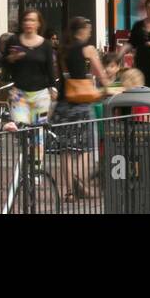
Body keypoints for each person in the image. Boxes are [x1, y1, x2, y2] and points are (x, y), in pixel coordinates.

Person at [54, 16, 112, 199]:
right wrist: (109, 85)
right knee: (87, 147)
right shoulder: (88, 49)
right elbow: (101, 75)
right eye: (89, 30)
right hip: (81, 104)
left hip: (62, 105)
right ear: (83, 30)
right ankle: (79, 181)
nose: (90, 33)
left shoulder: (62, 50)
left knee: (66, 150)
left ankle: (70, 191)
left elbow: (59, 76)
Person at [0, 8, 58, 125]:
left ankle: (38, 144)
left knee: (39, 130)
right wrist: (11, 59)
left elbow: (50, 69)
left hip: (41, 95)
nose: (28, 23)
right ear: (22, 23)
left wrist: (53, 88)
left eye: (32, 20)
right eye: (26, 20)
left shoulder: (46, 44)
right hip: (19, 94)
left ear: (38, 24)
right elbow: (3, 64)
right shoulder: (14, 40)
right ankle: (24, 144)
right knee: (20, 128)